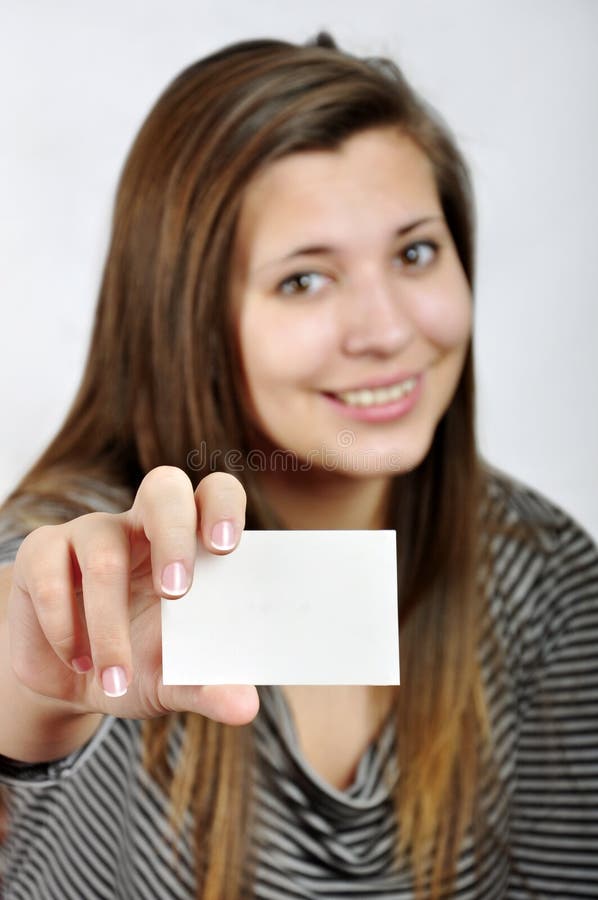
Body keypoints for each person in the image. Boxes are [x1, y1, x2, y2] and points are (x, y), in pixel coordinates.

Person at [0, 30, 596, 900]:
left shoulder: (540, 574)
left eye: (416, 252)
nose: (388, 331)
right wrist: (29, 697)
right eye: (304, 281)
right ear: (191, 316)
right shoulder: (94, 570)